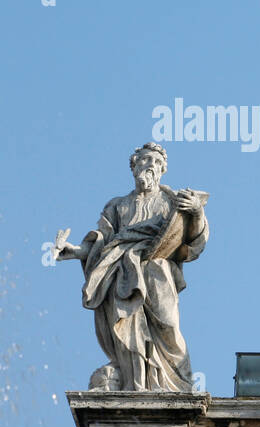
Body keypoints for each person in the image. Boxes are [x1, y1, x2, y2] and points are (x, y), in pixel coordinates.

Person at [53, 142, 208, 391]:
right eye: (146, 160)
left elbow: (193, 241)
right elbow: (103, 239)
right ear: (134, 166)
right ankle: (132, 381)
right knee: (128, 327)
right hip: (122, 271)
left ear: (163, 170)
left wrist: (197, 213)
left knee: (167, 324)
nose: (151, 166)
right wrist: (76, 251)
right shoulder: (117, 205)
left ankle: (176, 382)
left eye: (157, 163)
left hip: (158, 269)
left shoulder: (171, 201)